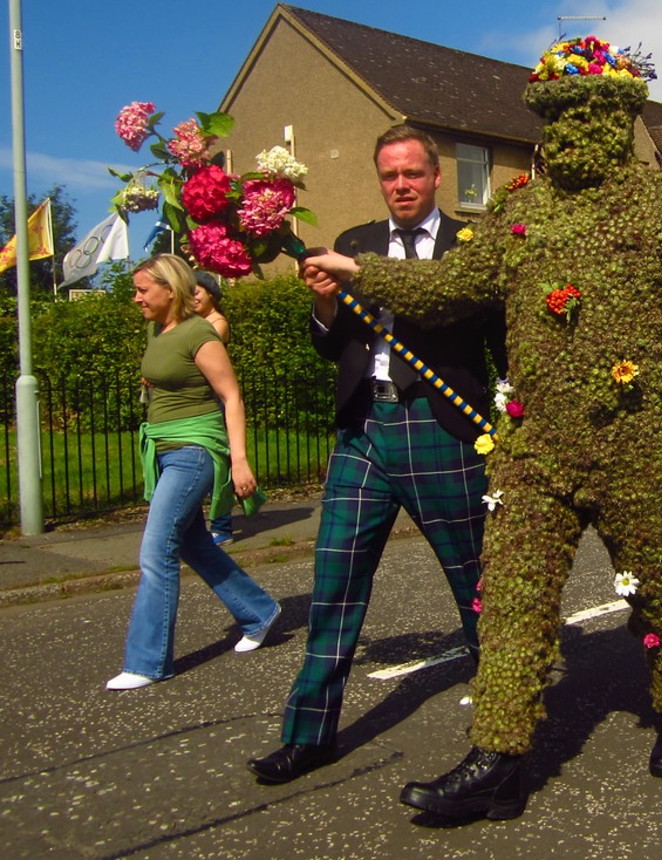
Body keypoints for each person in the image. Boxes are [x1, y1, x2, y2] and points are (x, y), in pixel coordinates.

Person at [302, 40, 662, 821]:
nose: (571, 134)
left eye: (587, 116)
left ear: (618, 117)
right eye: (557, 118)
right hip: (536, 448)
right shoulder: (522, 208)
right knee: (512, 602)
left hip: (636, 444)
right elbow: (455, 284)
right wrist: (363, 272)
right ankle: (497, 756)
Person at [246, 125, 505, 784]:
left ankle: (507, 729)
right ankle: (309, 734)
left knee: (478, 588)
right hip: (364, 428)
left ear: (436, 175)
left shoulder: (467, 246)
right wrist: (326, 308)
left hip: (441, 431)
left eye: (412, 174)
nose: (401, 186)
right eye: (390, 175)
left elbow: (488, 331)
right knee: (334, 584)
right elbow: (332, 347)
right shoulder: (355, 242)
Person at [107, 254, 279, 691]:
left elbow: (232, 396)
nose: (137, 298)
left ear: (171, 288)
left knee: (155, 550)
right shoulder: (158, 331)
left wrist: (238, 460)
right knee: (193, 544)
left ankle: (146, 662)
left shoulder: (199, 332)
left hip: (194, 451)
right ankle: (259, 611)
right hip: (164, 450)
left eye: (144, 290)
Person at [193, 270, 235, 546]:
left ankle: (222, 524)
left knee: (220, 463)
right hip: (195, 400)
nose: (192, 296)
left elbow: (197, 357)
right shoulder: (191, 324)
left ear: (211, 294)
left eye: (197, 291)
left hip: (214, 400)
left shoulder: (217, 323)